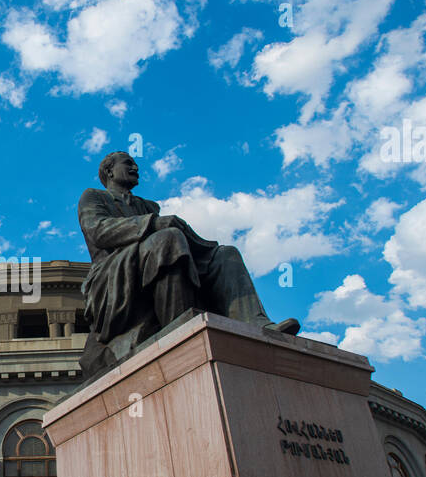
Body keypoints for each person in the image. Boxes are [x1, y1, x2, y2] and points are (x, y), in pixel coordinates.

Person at [77, 150, 299, 375]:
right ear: (109, 171)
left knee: (226, 254)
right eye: (128, 163)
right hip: (113, 273)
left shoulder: (148, 206)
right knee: (167, 239)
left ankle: (255, 323)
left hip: (152, 255)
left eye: (135, 164)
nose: (136, 168)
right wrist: (153, 224)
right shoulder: (94, 197)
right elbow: (99, 231)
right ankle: (180, 329)